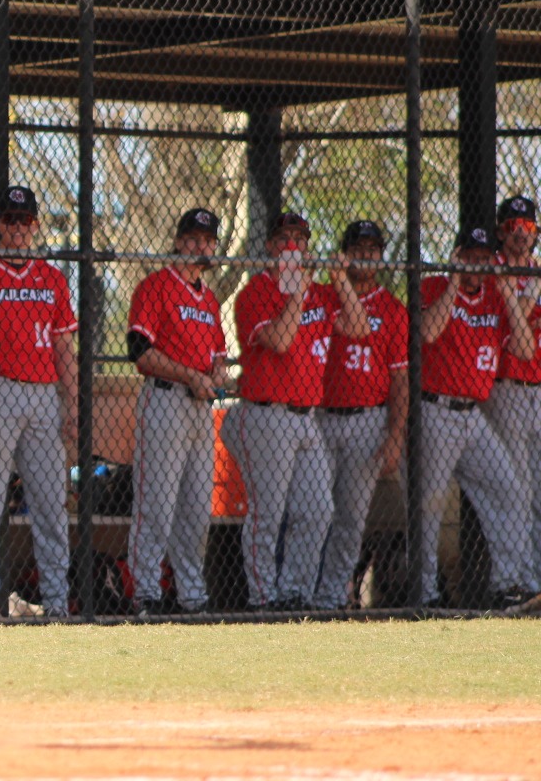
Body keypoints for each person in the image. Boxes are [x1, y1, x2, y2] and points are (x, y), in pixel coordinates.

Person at [224, 209, 370, 611]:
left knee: (318, 510)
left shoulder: (323, 293)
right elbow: (282, 340)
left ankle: (294, 591)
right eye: (285, 238)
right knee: (267, 515)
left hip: (307, 419)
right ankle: (262, 596)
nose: (294, 245)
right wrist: (300, 292)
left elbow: (360, 328)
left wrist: (339, 281)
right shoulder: (255, 292)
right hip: (266, 415)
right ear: (271, 246)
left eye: (300, 239)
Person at [0, 184, 78, 618]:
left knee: (51, 505)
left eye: (25, 220)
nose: (18, 228)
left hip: (45, 395)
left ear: (36, 225)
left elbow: (65, 347)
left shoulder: (52, 277)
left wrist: (73, 406)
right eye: (10, 220)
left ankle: (58, 601)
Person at [412, 226, 536, 610]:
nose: (477, 265)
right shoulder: (434, 287)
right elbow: (428, 333)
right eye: (470, 257)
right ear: (457, 256)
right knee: (429, 503)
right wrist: (453, 281)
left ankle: (508, 584)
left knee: (510, 490)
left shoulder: (496, 299)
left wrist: (507, 294)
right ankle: (425, 591)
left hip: (473, 417)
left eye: (484, 259)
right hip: (435, 410)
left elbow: (525, 348)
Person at [123, 207, 226, 618]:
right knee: (157, 505)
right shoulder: (156, 286)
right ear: (180, 240)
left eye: (208, 240)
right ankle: (145, 592)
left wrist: (216, 371)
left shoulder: (211, 299)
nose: (201, 246)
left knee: (198, 508)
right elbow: (139, 352)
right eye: (194, 238)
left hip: (201, 409)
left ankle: (191, 595)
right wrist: (190, 376)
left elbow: (218, 354)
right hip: (165, 400)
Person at [311, 219, 408, 611]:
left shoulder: (394, 310)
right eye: (357, 248)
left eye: (372, 249)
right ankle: (303, 589)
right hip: (319, 416)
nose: (365, 255)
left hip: (369, 419)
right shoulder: (322, 295)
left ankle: (333, 594)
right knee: (314, 510)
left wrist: (395, 433)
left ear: (381, 256)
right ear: (344, 254)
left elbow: (400, 379)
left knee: (351, 518)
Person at [485, 194, 541, 593]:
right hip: (507, 389)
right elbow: (516, 326)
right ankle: (514, 579)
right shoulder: (493, 271)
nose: (520, 235)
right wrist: (528, 293)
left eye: (528, 228)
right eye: (513, 228)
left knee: (537, 492)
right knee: (516, 489)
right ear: (501, 232)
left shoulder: (537, 270)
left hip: (539, 387)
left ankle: (535, 577)